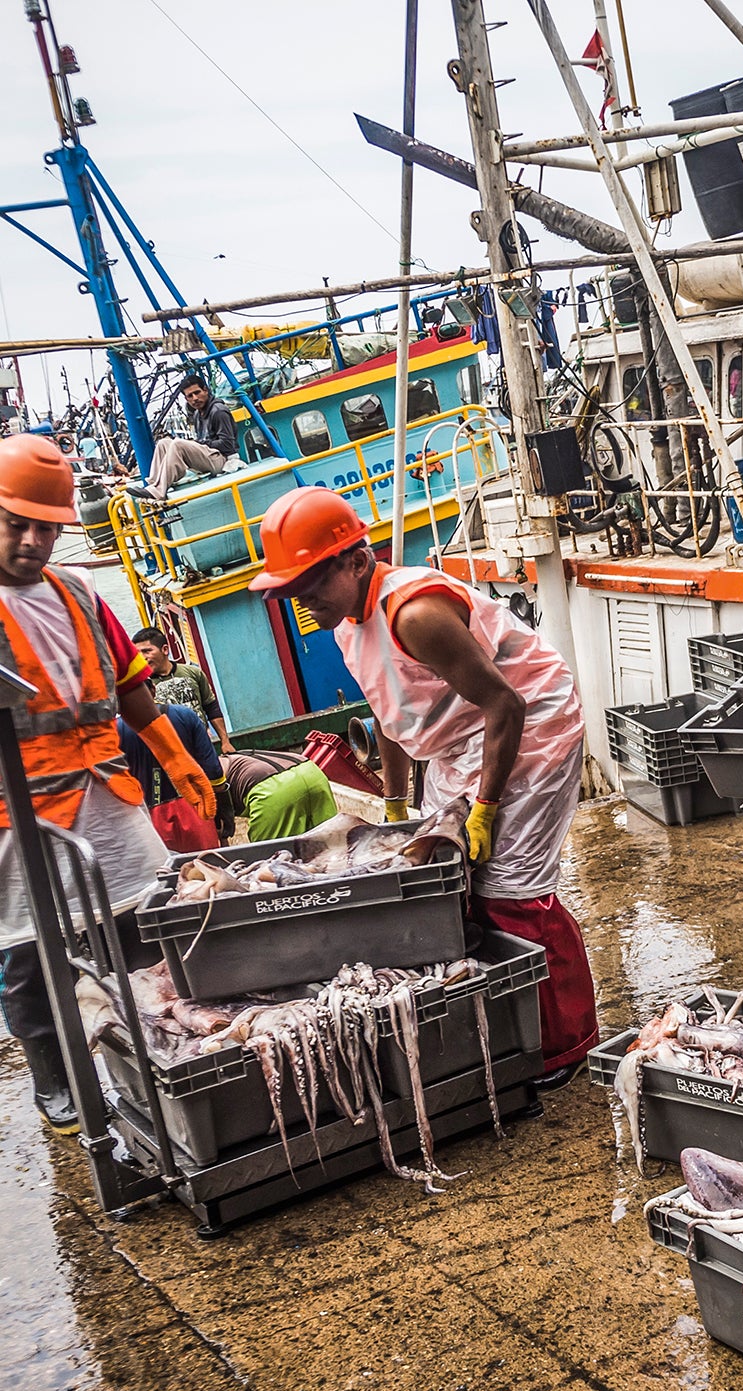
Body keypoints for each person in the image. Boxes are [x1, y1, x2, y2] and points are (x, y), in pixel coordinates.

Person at [248, 487, 598, 1086]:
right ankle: (510, 1022)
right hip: (459, 741)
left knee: (513, 896)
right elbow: (386, 714)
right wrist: (394, 802)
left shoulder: (414, 612)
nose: (304, 602)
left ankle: (566, 1043)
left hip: (529, 728)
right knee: (446, 883)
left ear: (356, 561)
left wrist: (486, 808)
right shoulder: (344, 625)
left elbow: (505, 704)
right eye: (293, 593)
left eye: (312, 585)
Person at [0, 435, 217, 1131]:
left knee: (149, 939)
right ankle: (54, 1076)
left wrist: (176, 757)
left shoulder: (81, 594)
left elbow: (131, 689)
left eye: (46, 527)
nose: (32, 540)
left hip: (107, 799)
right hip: (19, 819)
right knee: (32, 957)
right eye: (15, 524)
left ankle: (160, 1055)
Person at [116, 702, 227, 852]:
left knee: (167, 872)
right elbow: (213, 769)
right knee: (207, 868)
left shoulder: (117, 730)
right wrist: (222, 811)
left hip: (151, 816)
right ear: (153, 690)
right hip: (195, 808)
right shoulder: (185, 715)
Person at [126, 374, 237, 504]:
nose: (195, 398)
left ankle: (158, 491)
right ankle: (153, 485)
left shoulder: (218, 411)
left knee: (178, 444)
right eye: (190, 396)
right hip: (209, 456)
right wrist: (198, 444)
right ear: (186, 398)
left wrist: (199, 443)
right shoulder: (197, 414)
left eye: (197, 393)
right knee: (163, 443)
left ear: (205, 390)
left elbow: (228, 444)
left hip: (223, 460)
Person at [131, 626, 234, 750]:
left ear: (164, 650)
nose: (142, 657)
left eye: (147, 651)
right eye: (137, 654)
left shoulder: (193, 673)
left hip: (203, 745)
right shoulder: (141, 686)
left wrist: (225, 742)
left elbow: (211, 707)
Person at [220, 749, 337, 842]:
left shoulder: (206, 774)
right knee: (333, 846)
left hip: (273, 789)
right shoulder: (223, 758)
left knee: (272, 861)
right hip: (311, 771)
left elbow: (217, 835)